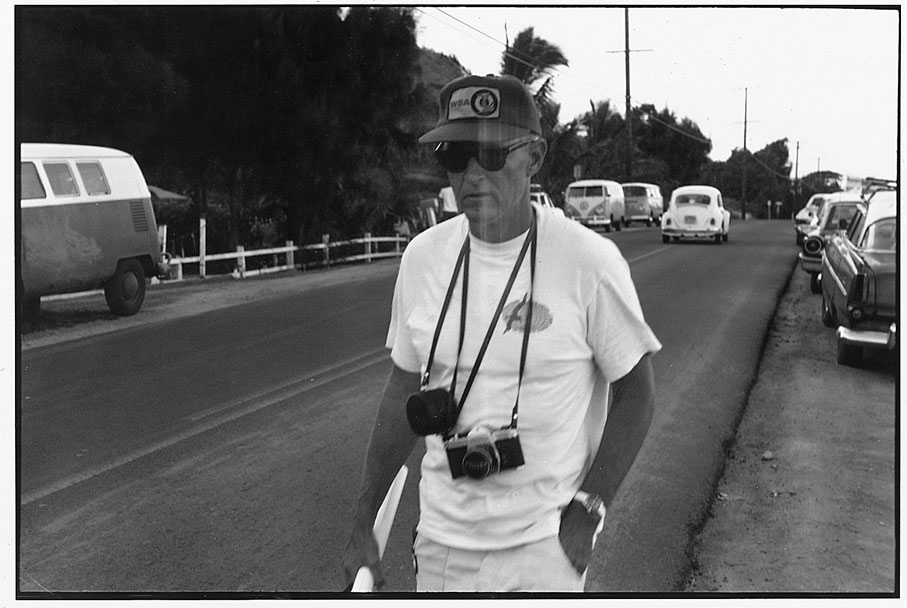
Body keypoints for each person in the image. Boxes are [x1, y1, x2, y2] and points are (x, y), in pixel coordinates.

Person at [341, 74, 661, 592]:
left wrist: (588, 510)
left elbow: (637, 394)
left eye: (491, 155)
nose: (471, 175)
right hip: (442, 543)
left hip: (542, 548)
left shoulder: (588, 262)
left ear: (534, 158)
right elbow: (403, 391)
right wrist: (362, 521)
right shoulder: (422, 258)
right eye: (455, 154)